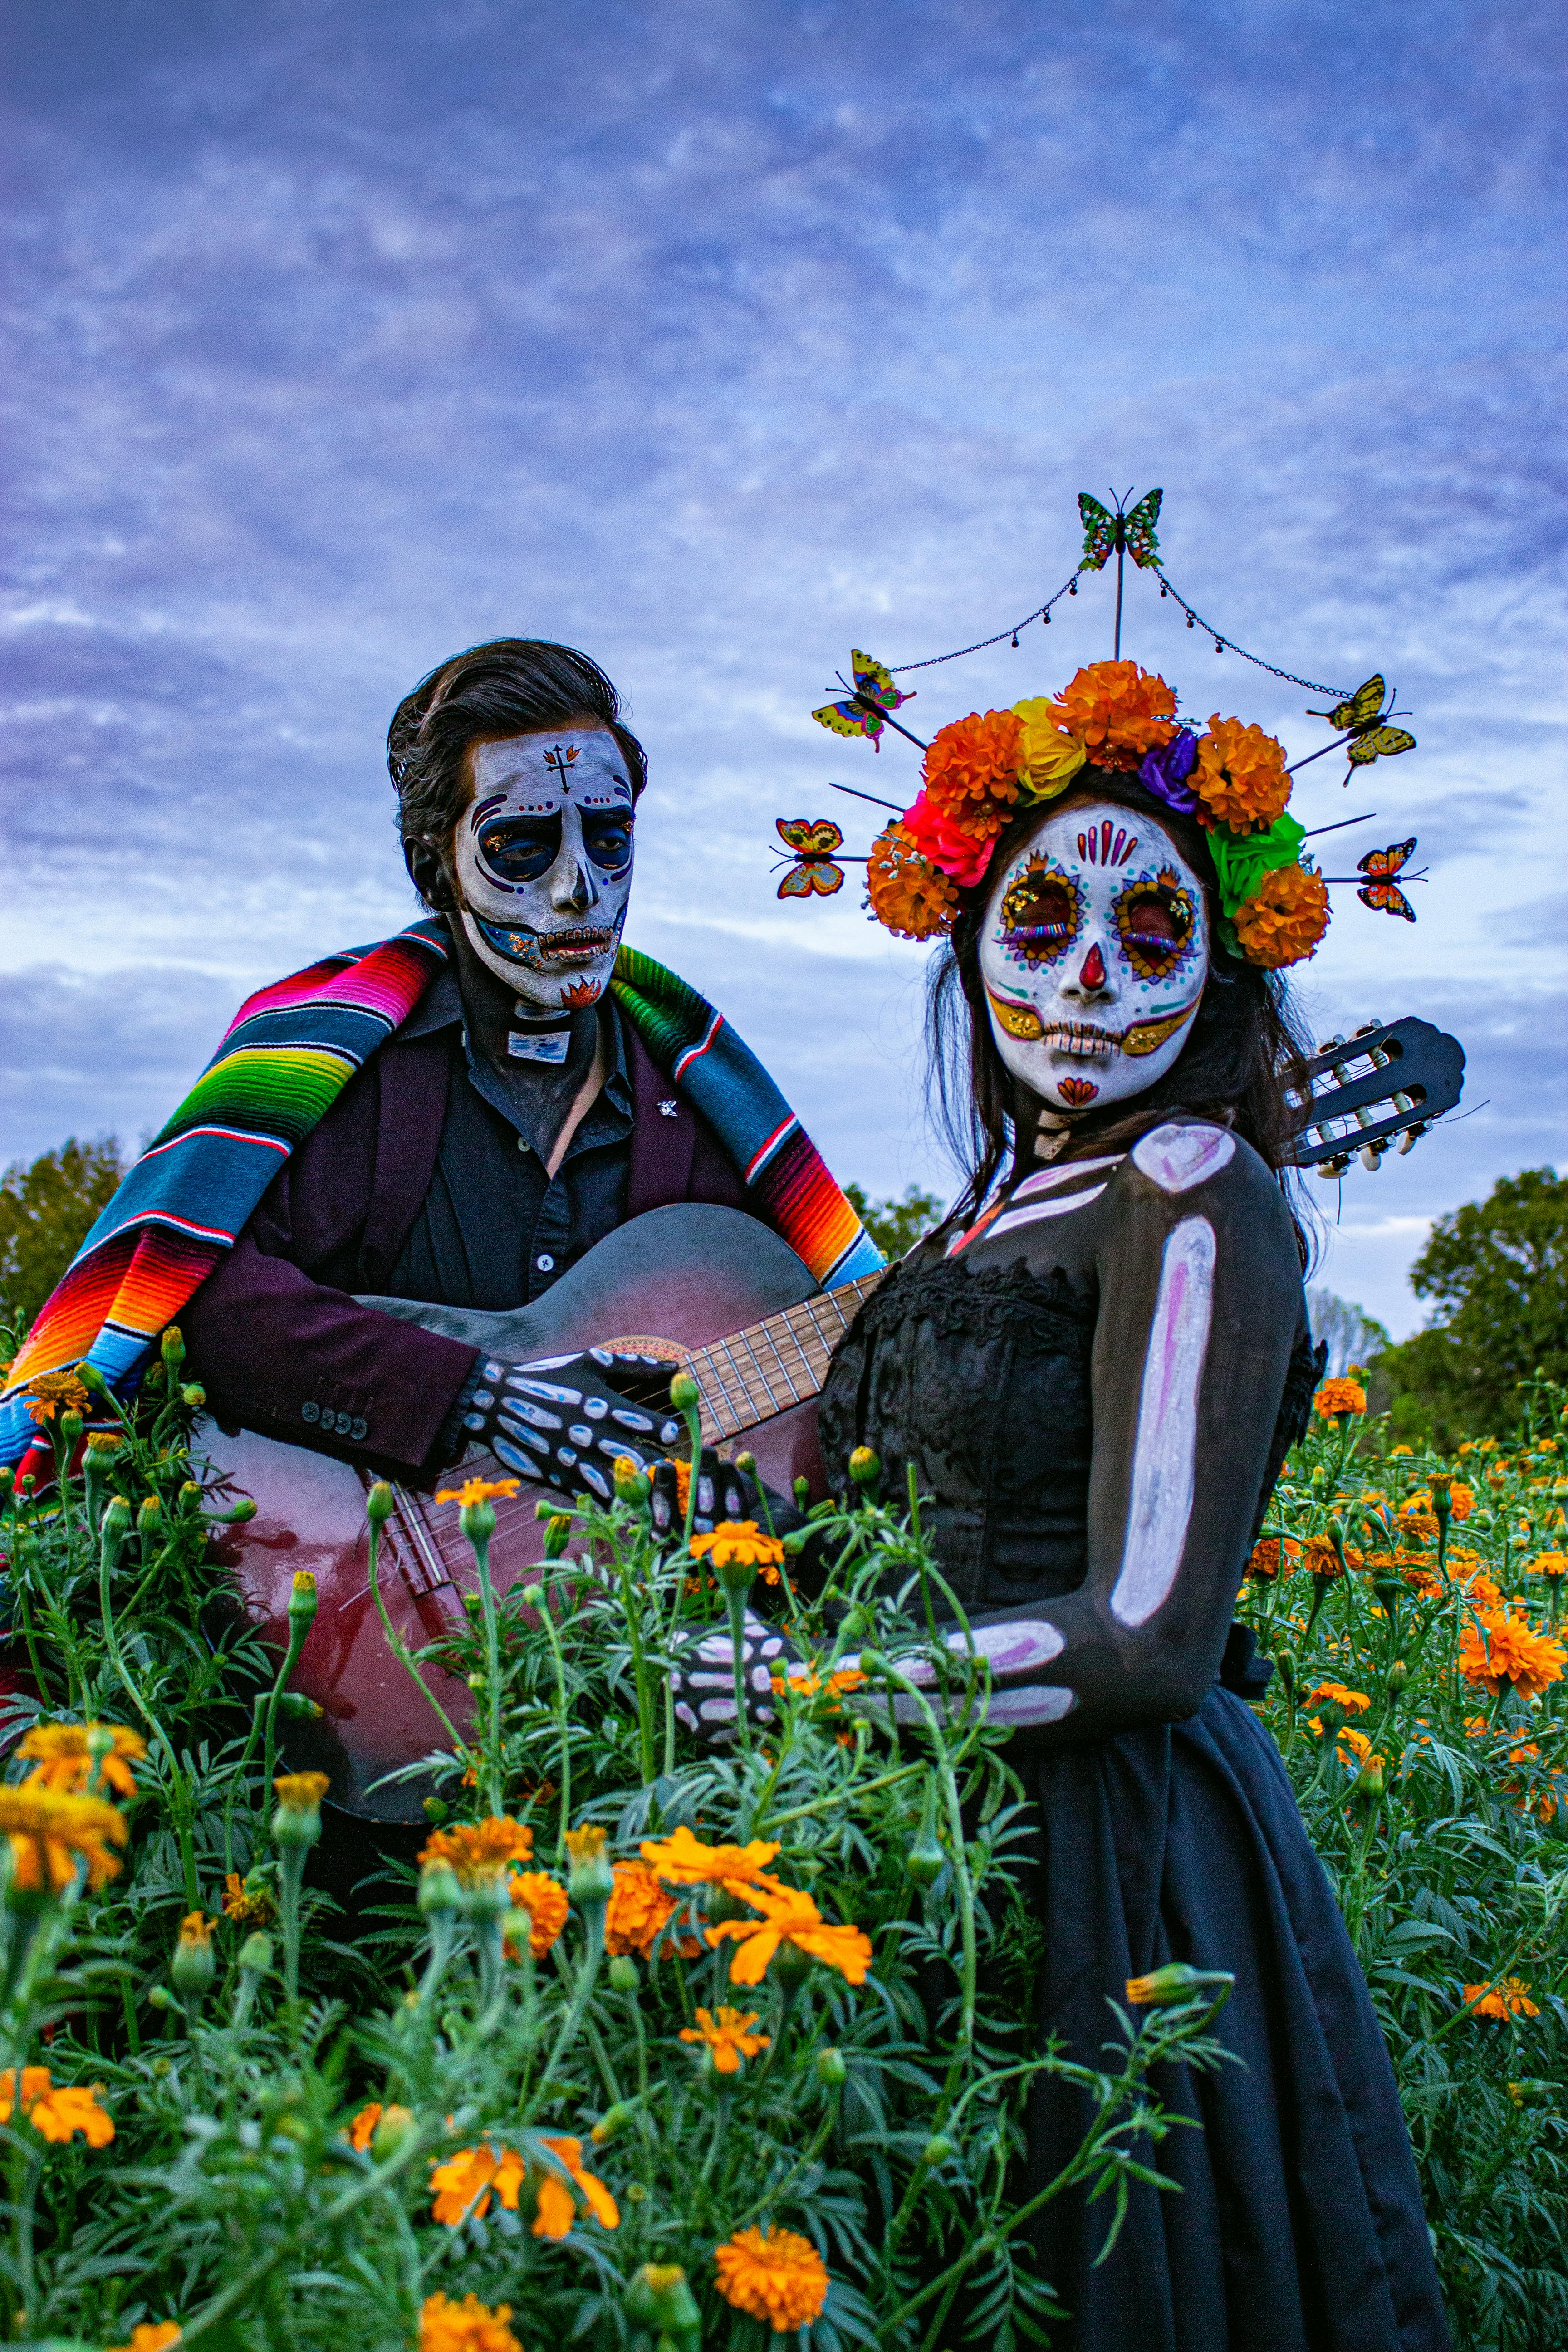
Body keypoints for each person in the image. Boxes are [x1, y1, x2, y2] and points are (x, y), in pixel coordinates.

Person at [811, 670, 1449, 2350]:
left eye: (1151, 931)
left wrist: (812, 1694)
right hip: (925, 1814)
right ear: (966, 944)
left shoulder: (1192, 1187)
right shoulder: (977, 1214)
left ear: (1221, 970)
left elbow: (1153, 1639)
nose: (1085, 977)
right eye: (1038, 919)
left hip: (1109, 1852)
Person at [0, 638, 880, 1510]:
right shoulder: (332, 1066)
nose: (580, 888)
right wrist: (474, 1397)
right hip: (346, 1591)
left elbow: (810, 1345)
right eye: (522, 845)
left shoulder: (702, 1094)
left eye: (609, 838)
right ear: (435, 858)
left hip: (630, 1619)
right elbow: (191, 1294)